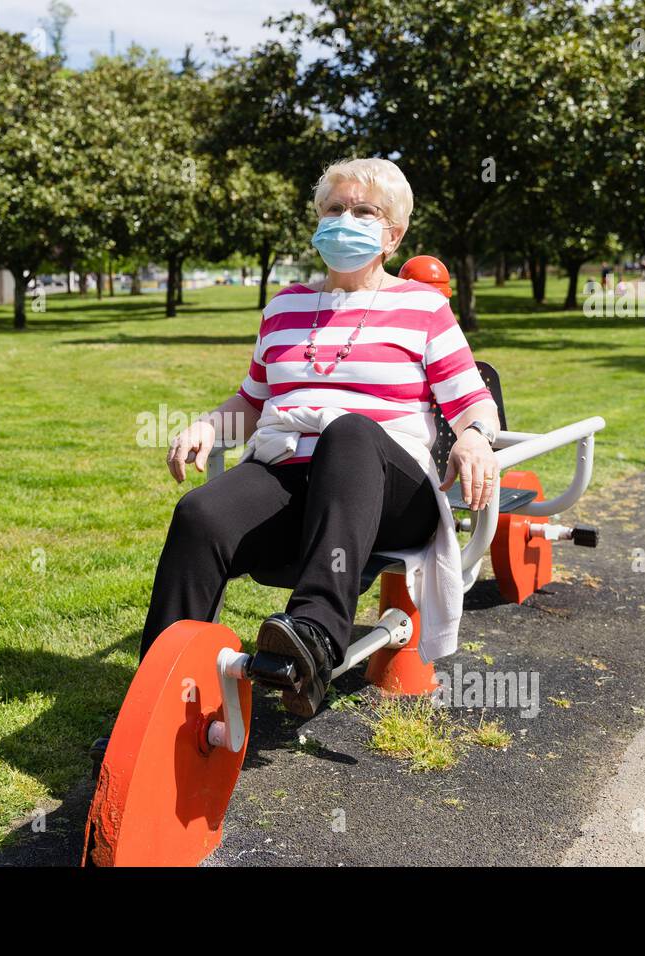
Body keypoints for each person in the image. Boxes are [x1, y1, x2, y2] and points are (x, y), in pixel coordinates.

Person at [145, 157, 500, 717]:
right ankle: (161, 693)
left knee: (350, 432)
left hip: (388, 489)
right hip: (292, 476)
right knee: (201, 515)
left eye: (365, 211)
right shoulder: (285, 305)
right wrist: (209, 425)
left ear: (394, 233)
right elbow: (254, 401)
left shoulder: (423, 308)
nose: (346, 220)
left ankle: (314, 632)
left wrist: (475, 437)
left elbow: (471, 399)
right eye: (335, 209)